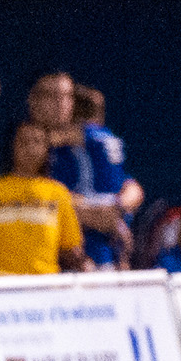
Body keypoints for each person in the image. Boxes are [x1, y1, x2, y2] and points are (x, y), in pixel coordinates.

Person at [28, 72, 141, 269]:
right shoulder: (24, 142)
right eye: (51, 96)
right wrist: (88, 213)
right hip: (46, 258)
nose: (60, 103)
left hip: (101, 255)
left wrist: (117, 208)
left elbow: (131, 187)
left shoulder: (91, 140)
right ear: (32, 100)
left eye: (66, 96)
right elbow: (26, 191)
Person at [0, 120, 90, 275]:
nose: (31, 148)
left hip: (45, 286)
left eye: (38, 142)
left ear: (47, 149)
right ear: (11, 146)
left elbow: (71, 246)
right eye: (23, 142)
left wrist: (84, 263)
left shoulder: (58, 192)